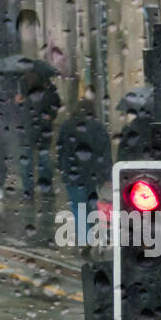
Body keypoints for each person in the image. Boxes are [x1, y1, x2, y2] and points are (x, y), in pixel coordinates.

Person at [56, 93, 111, 247]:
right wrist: (107, 175)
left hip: (73, 174)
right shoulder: (98, 127)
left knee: (77, 204)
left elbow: (61, 149)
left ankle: (85, 239)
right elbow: (105, 152)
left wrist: (61, 167)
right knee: (91, 204)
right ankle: (93, 235)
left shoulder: (67, 125)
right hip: (92, 174)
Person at [17, 72, 60, 198]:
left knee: (44, 162)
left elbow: (56, 103)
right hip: (26, 131)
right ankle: (28, 190)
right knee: (27, 164)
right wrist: (17, 102)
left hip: (43, 131)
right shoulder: (21, 86)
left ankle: (45, 188)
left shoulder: (48, 87)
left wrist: (50, 115)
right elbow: (15, 111)